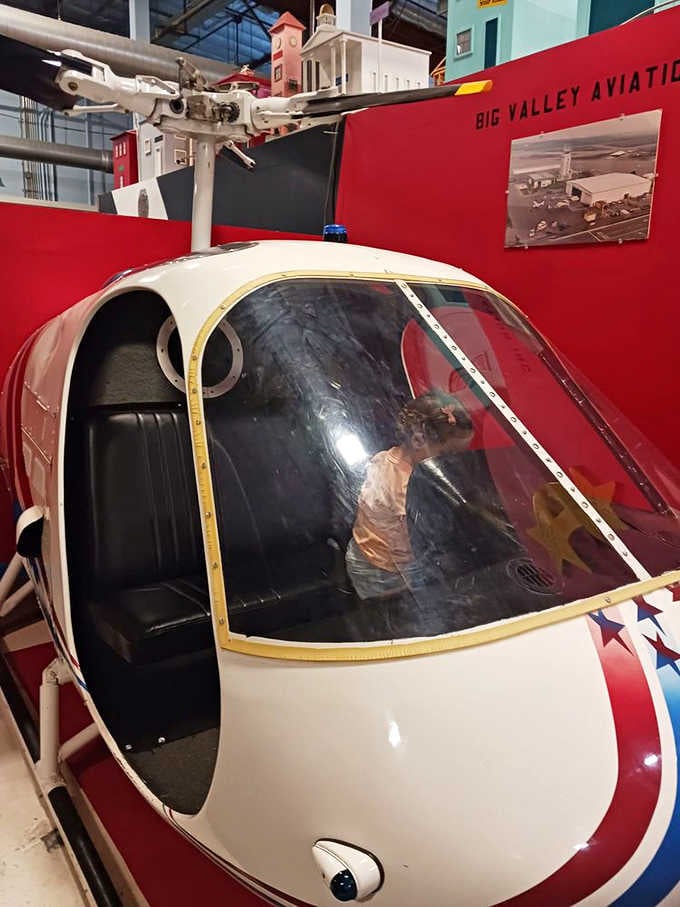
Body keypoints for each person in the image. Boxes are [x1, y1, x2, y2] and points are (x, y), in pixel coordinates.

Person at [346, 391, 474, 600]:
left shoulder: (385, 457)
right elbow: (405, 550)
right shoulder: (405, 491)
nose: (453, 462)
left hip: (361, 551)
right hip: (382, 572)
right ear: (418, 440)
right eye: (448, 455)